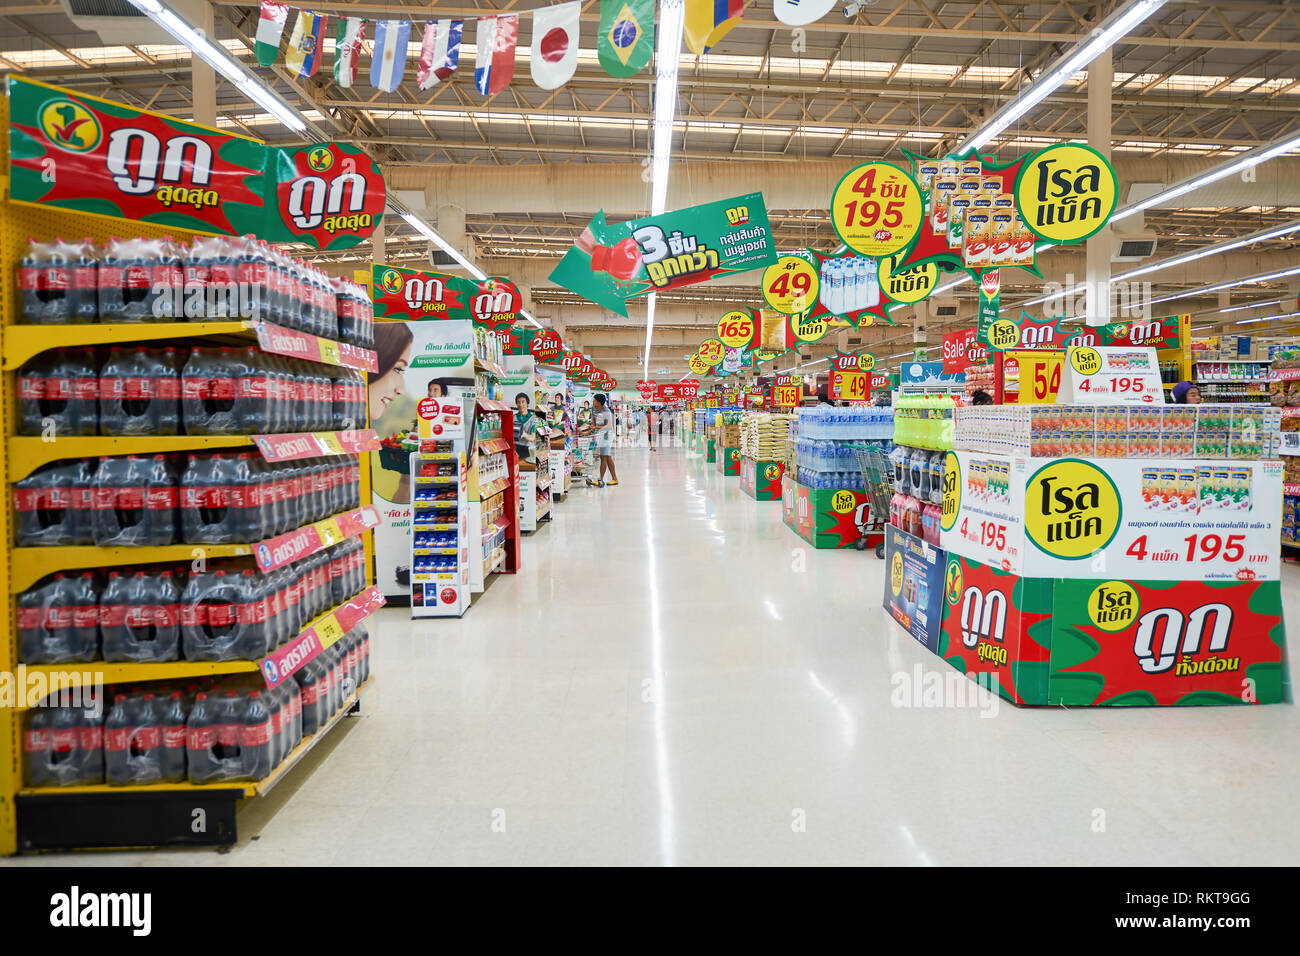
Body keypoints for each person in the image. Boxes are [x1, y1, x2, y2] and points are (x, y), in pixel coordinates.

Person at [592, 393, 618, 486]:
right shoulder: (594, 409)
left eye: (594, 400)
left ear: (599, 402)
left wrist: (596, 428)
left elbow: (609, 425)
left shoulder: (606, 411)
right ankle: (615, 478)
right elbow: (593, 422)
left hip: (607, 435)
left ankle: (600, 480)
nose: (593, 401)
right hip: (600, 434)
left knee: (603, 457)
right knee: (607, 457)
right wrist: (590, 429)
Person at [513, 392, 538, 466]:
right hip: (515, 448)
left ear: (527, 403)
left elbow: (533, 437)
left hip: (528, 450)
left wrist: (524, 434)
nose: (520, 405)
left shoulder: (533, 419)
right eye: (518, 402)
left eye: (523, 402)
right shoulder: (512, 417)